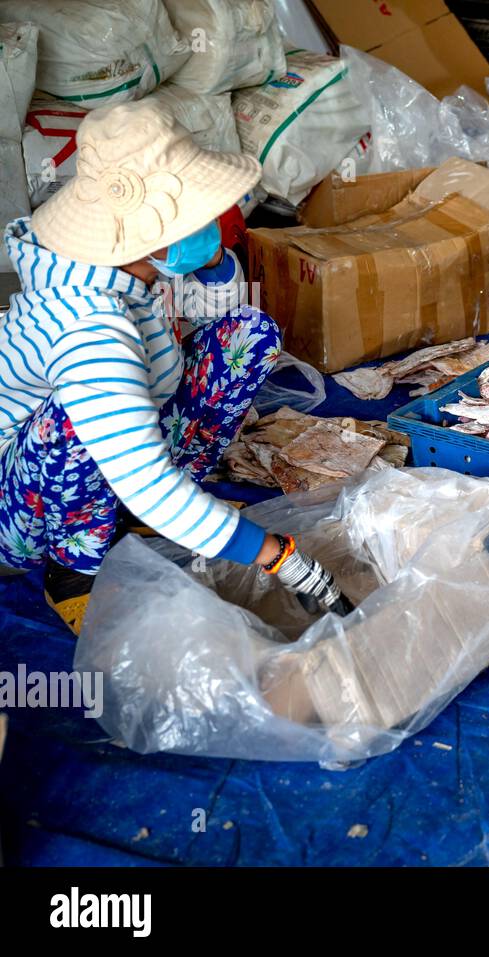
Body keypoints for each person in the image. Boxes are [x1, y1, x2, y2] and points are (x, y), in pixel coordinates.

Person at [0, 100, 348, 635]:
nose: (213, 223)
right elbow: (142, 477)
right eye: (200, 216)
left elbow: (224, 312)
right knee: (78, 421)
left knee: (247, 337)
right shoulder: (90, 331)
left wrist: (210, 261)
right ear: (151, 234)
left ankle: (149, 515)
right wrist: (274, 553)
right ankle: (72, 568)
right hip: (26, 508)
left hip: (113, 450)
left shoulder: (119, 266)